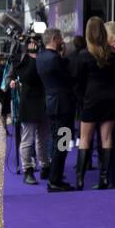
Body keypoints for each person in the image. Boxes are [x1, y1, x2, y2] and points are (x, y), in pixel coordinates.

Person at [72, 17, 115, 190]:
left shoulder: (84, 55)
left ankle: (79, 179)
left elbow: (78, 82)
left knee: (85, 139)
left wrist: (82, 98)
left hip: (91, 99)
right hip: (110, 98)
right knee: (107, 138)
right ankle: (104, 179)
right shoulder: (113, 55)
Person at [36, 27, 76, 192]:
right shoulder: (55, 59)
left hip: (51, 104)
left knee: (56, 141)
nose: (63, 41)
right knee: (63, 142)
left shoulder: (40, 57)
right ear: (54, 39)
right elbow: (69, 79)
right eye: (60, 38)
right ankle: (55, 180)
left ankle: (55, 176)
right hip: (64, 106)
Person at [13, 33, 50, 184]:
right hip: (29, 104)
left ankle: (45, 165)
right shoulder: (22, 60)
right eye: (31, 42)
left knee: (43, 138)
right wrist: (32, 57)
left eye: (36, 42)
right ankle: (27, 169)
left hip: (44, 102)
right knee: (28, 139)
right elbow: (28, 77)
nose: (34, 45)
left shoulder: (44, 58)